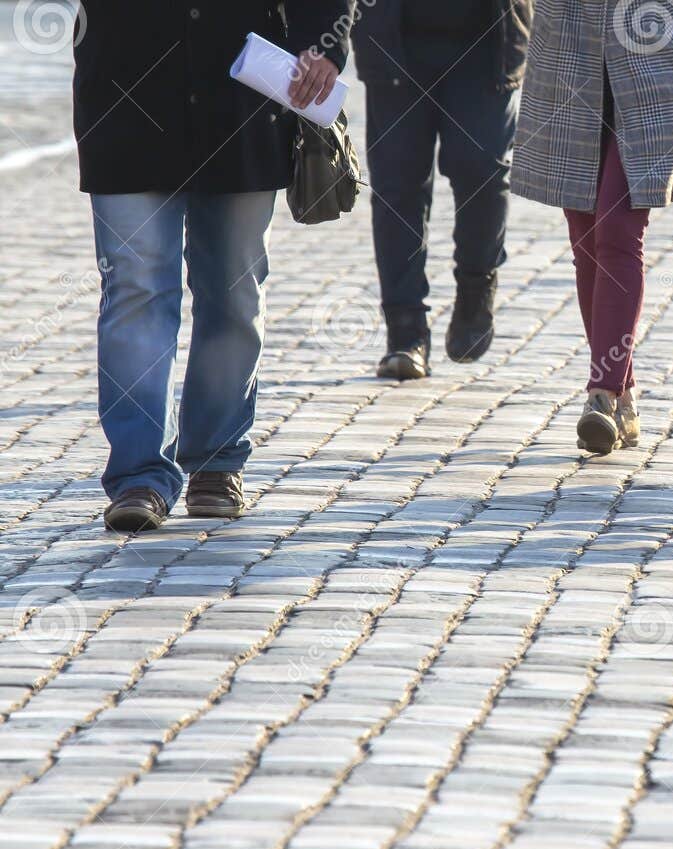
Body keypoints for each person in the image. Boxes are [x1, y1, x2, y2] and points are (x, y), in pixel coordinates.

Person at [75, 1, 350, 534]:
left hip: (244, 100)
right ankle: (138, 475)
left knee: (234, 294)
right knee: (135, 291)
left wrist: (323, 44)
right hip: (123, 98)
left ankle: (216, 462)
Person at [511, 1, 673, 456]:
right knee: (586, 242)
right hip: (566, 66)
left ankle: (602, 392)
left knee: (617, 231)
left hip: (651, 70)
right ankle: (622, 393)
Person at [355, 0, 533, 380]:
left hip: (488, 40)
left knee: (482, 170)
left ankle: (476, 286)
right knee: (397, 185)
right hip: (393, 38)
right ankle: (405, 334)